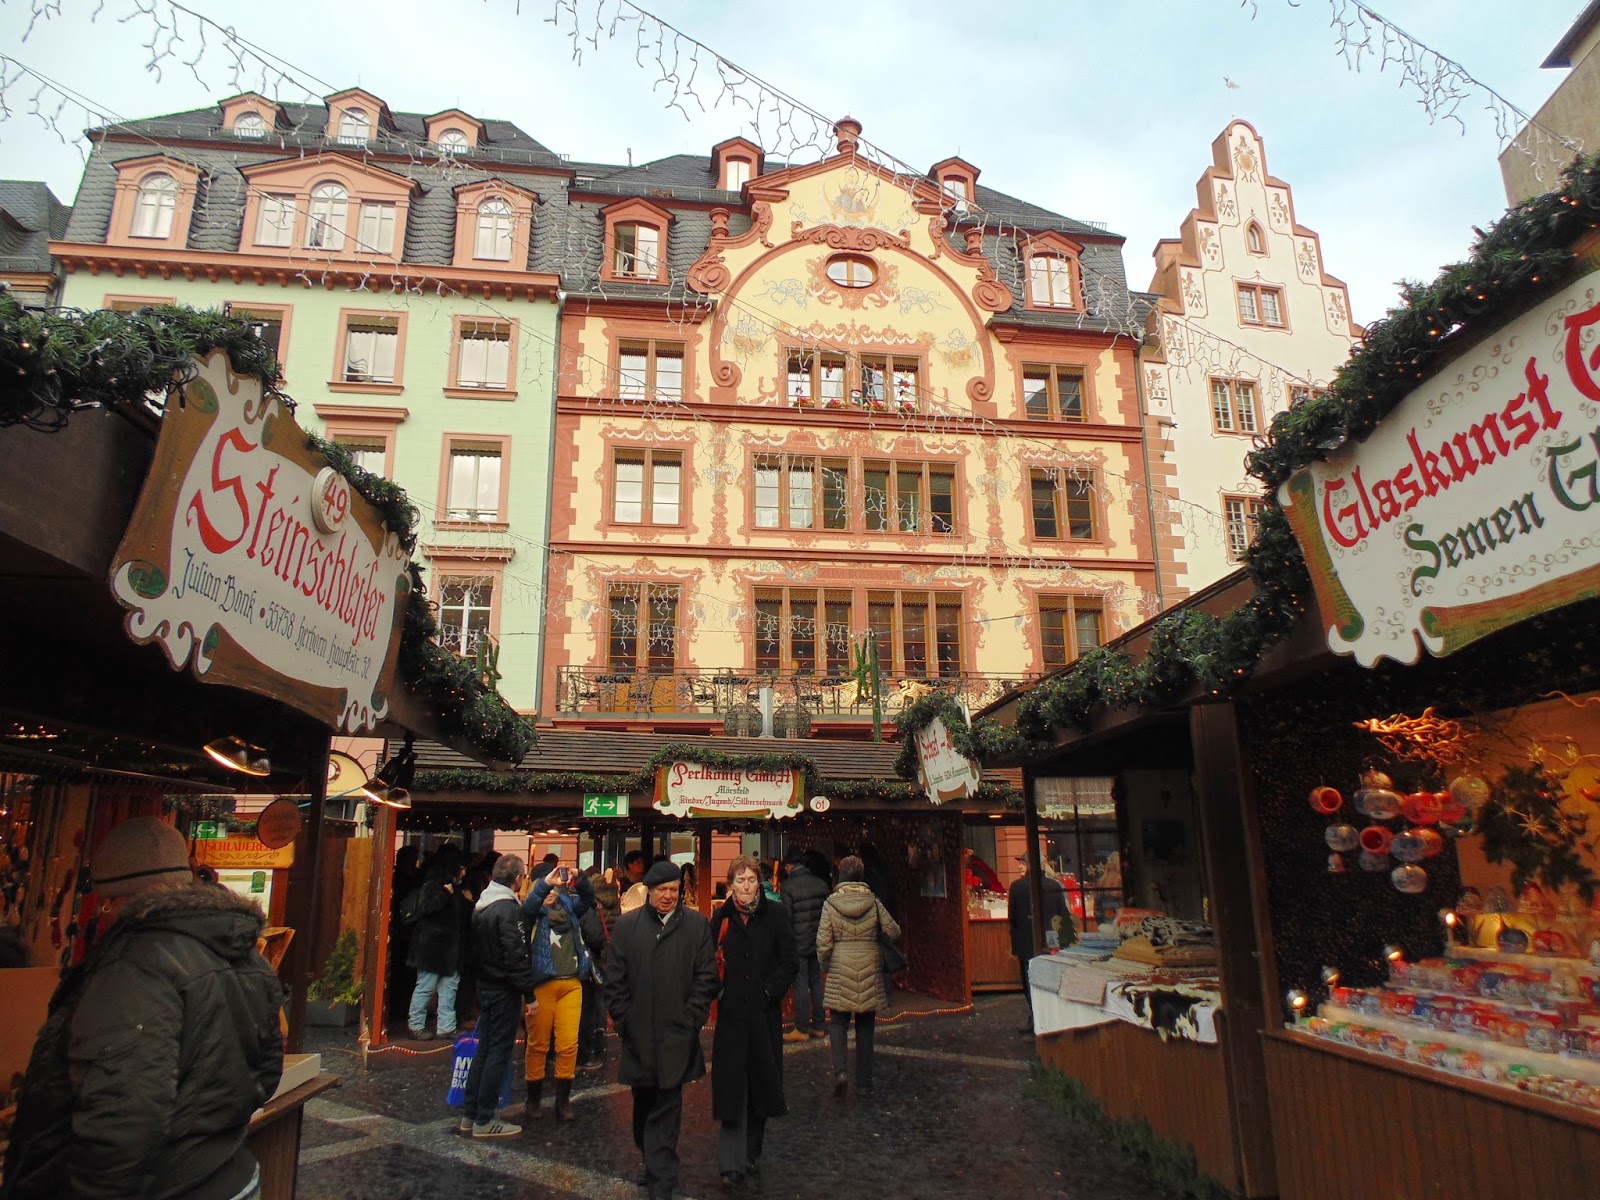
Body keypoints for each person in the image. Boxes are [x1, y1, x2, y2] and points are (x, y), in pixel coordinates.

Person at [4, 817, 284, 1200]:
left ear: (118, 896)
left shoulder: (135, 966)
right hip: (228, 1174)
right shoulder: (244, 953)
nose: (105, 912)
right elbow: (266, 1075)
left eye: (106, 902)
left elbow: (123, 1116)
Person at [603, 860, 719, 1200]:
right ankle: (650, 1155)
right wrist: (624, 1021)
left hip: (677, 1033)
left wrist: (692, 1019)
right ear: (649, 892)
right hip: (638, 1033)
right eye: (662, 891)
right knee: (643, 1103)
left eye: (674, 890)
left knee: (669, 1104)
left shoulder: (697, 925)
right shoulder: (627, 927)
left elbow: (706, 978)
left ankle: (661, 1177)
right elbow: (615, 981)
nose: (669, 896)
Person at [709, 855, 797, 1187]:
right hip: (731, 1017)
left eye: (750, 880)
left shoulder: (775, 915)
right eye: (739, 880)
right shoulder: (722, 917)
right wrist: (719, 992)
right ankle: (730, 1163)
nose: (745, 886)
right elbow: (708, 959)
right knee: (732, 1087)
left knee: (761, 1085)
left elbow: (790, 962)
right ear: (730, 884)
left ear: (758, 882)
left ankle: (750, 1154)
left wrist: (767, 993)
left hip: (763, 1016)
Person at [460, 854, 536, 1138]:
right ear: (517, 878)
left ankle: (471, 1114)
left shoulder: (481, 905)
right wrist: (530, 995)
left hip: (484, 984)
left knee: (485, 1048)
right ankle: (485, 1119)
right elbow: (517, 955)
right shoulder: (508, 910)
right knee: (498, 1052)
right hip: (503, 988)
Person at [521, 861, 602, 1120]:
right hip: (542, 984)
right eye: (548, 885)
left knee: (568, 1045)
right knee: (538, 1045)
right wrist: (546, 886)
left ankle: (563, 1101)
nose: (554, 891)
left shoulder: (568, 907)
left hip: (571, 983)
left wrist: (579, 879)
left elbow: (588, 898)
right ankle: (533, 1099)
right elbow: (529, 906)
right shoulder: (532, 910)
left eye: (557, 886)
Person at [816, 854, 900, 1098]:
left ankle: (841, 1071)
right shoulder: (872, 902)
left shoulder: (831, 904)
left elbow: (823, 942)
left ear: (840, 876)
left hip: (840, 966)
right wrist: (874, 940)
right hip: (869, 965)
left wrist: (826, 965)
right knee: (865, 1026)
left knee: (838, 1023)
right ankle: (864, 1079)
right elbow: (894, 931)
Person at [407, 846, 468, 1040]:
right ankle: (415, 1025)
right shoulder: (436, 885)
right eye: (462, 868)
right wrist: (445, 893)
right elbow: (426, 908)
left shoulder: (451, 887)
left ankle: (446, 1026)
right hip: (433, 948)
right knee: (427, 986)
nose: (464, 872)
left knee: (448, 987)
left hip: (446, 948)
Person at [1008, 854, 1068, 1035]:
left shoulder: (1017, 887)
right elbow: (1063, 915)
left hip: (1026, 941)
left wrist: (1015, 943)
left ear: (1029, 865)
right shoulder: (1054, 886)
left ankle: (1035, 1016)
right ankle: (1053, 1016)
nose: (1020, 866)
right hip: (1053, 940)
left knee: (1029, 979)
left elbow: (1013, 918)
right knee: (1052, 977)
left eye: (1022, 862)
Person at [779, 846, 830, 1043]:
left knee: (800, 984)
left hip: (798, 942)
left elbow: (787, 917)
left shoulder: (788, 887)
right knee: (817, 982)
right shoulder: (821, 884)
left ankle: (801, 1027)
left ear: (789, 866)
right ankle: (819, 1025)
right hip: (818, 940)